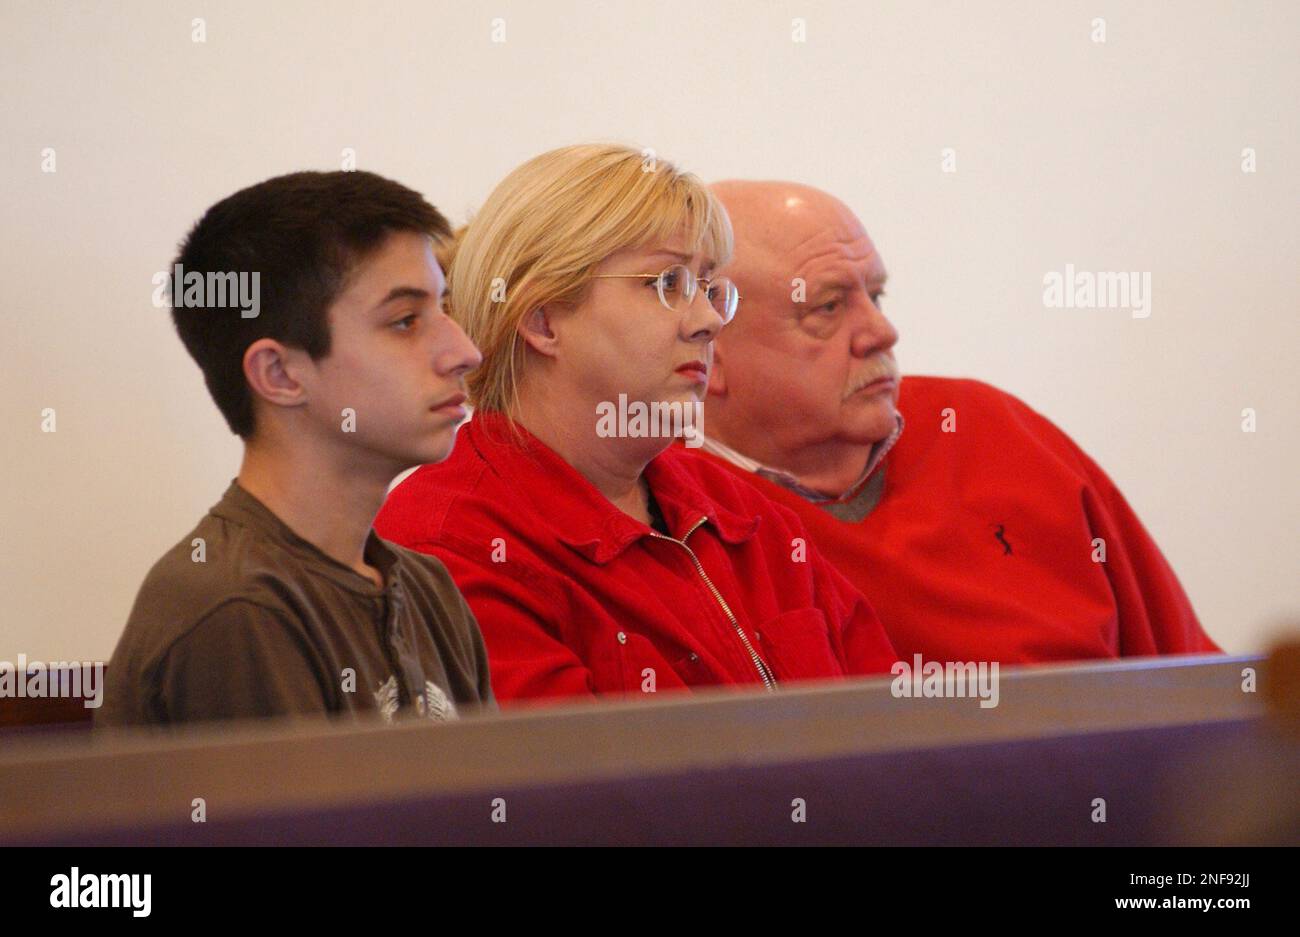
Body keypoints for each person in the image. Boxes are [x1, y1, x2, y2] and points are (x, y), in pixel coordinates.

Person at [376, 144, 898, 703]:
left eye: (709, 288)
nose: (706, 322)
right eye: (666, 284)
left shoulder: (740, 512)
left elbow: (902, 734)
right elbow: (584, 788)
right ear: (543, 319)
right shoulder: (447, 546)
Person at [696, 179, 1220, 664]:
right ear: (709, 352)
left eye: (875, 296)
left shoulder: (996, 433)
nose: (881, 331)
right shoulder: (672, 513)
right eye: (828, 308)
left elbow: (1190, 677)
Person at [99, 170, 493, 726]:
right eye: (405, 321)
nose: (465, 351)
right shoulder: (235, 609)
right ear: (280, 373)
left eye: (442, 309)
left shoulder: (429, 591)